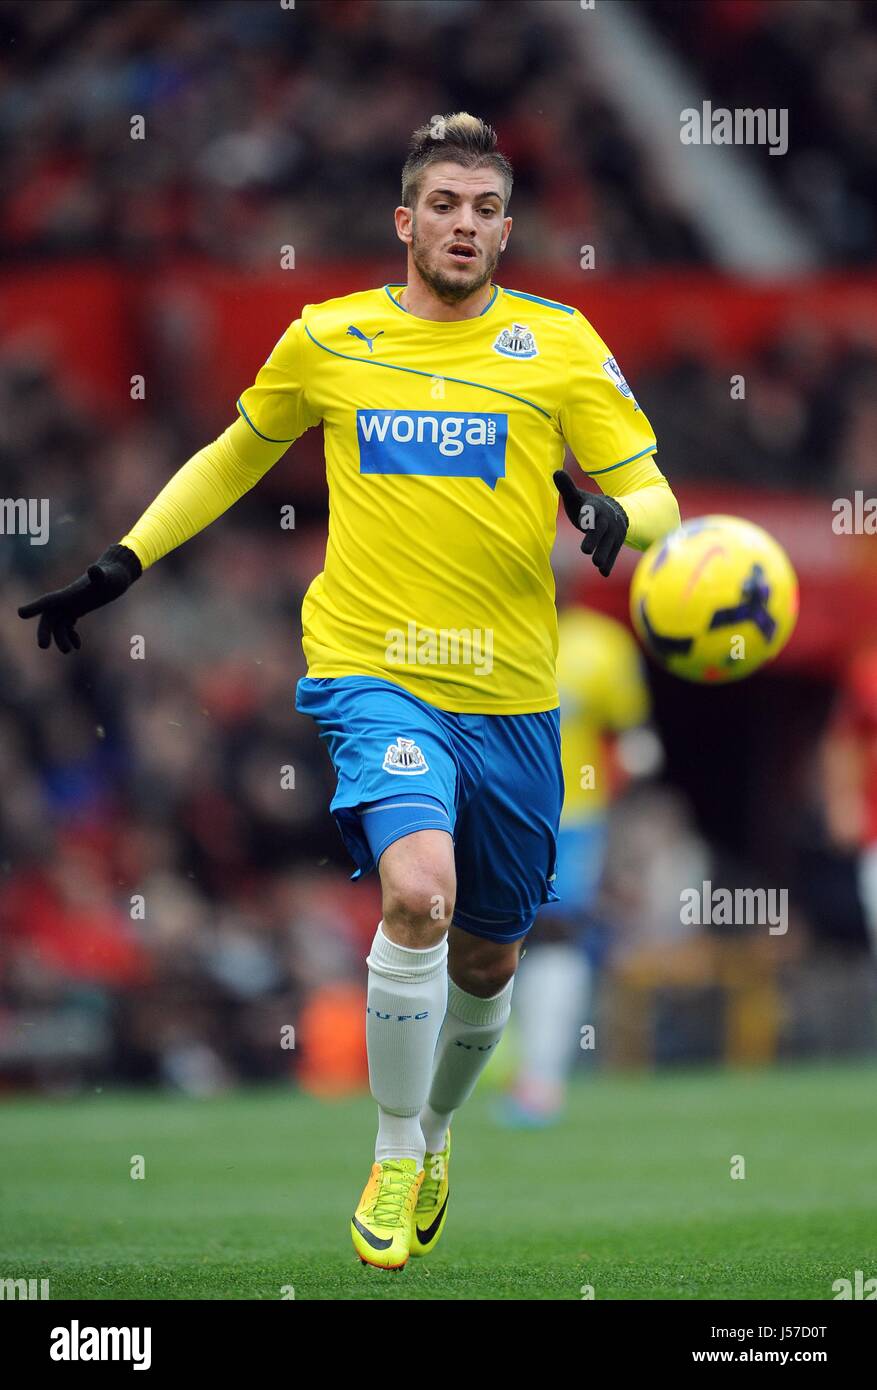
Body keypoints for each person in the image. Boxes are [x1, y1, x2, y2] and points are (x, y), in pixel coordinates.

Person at [19, 112, 680, 1270]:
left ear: (507, 229)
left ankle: (432, 1128)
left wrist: (623, 519)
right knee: (416, 892)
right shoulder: (328, 338)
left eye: (484, 210)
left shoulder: (560, 346)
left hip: (515, 699)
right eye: (444, 205)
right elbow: (235, 450)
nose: (463, 225)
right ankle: (387, 1145)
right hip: (372, 671)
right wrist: (125, 559)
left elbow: (654, 493)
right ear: (405, 221)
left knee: (488, 961)